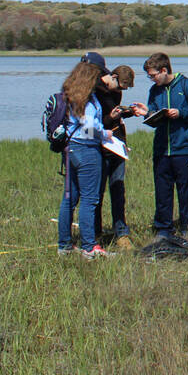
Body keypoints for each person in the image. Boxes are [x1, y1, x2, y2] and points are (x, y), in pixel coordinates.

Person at [141, 52, 188, 240]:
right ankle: (163, 228)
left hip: (183, 147)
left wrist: (180, 113)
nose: (151, 79)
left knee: (185, 190)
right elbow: (152, 116)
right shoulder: (155, 91)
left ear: (163, 70)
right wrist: (146, 114)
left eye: (153, 75)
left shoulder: (187, 85)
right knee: (162, 190)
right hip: (161, 149)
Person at [56, 60, 116, 260]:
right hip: (87, 150)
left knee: (69, 199)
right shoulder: (88, 101)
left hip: (71, 148)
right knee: (89, 199)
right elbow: (89, 126)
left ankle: (64, 245)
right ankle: (89, 247)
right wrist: (104, 134)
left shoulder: (71, 96)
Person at [92, 58, 142, 249]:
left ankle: (121, 232)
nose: (122, 91)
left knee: (118, 189)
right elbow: (93, 124)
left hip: (117, 147)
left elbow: (117, 116)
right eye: (121, 86)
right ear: (112, 77)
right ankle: (95, 234)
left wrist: (129, 112)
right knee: (97, 193)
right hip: (100, 147)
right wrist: (109, 118)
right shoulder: (95, 91)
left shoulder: (117, 93)